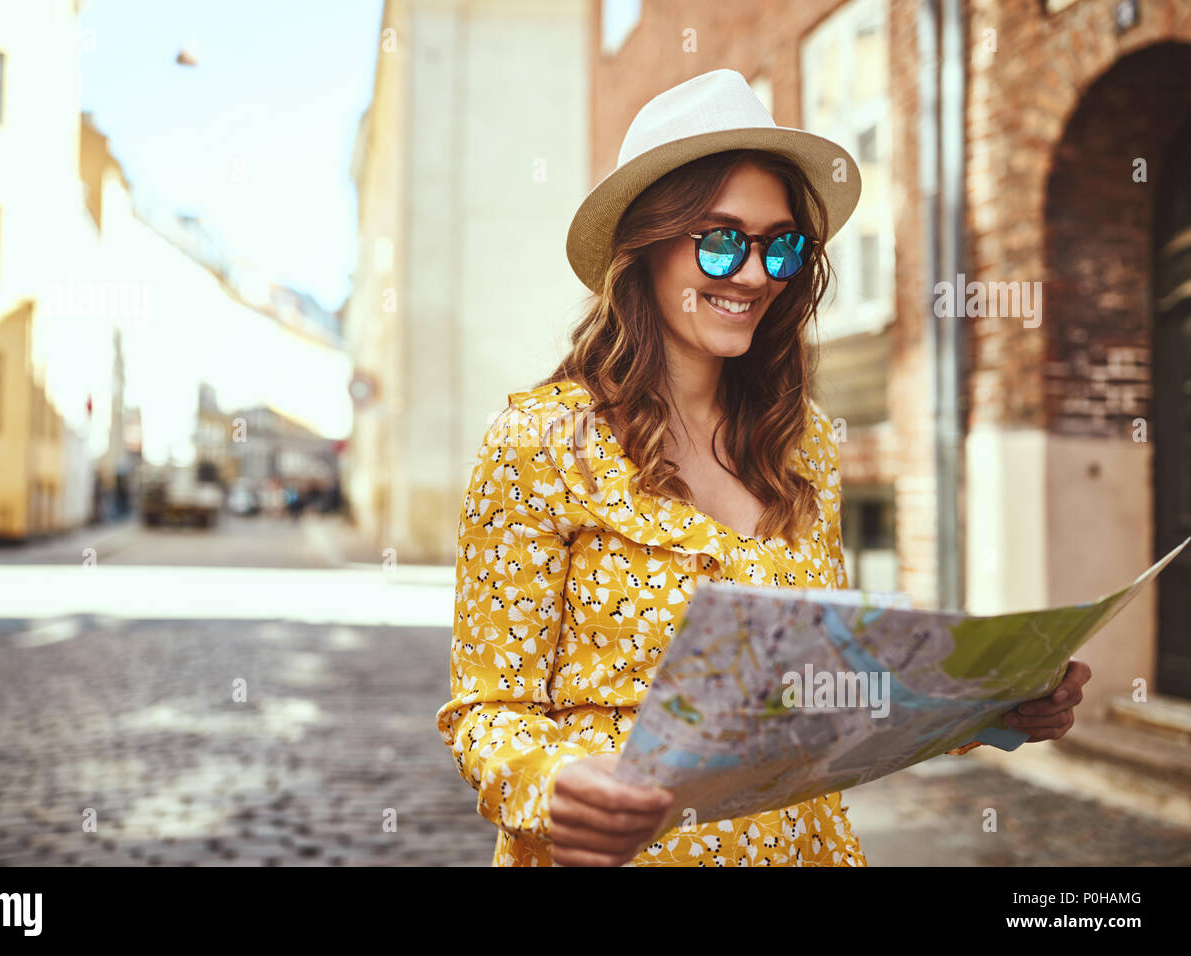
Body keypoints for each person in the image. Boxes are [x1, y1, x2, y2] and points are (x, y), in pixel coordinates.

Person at [435, 69, 1090, 867]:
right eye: (719, 238)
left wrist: (992, 707)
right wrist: (553, 780)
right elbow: (487, 711)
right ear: (644, 248)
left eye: (780, 245)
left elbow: (826, 690)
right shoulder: (541, 443)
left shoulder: (802, 440)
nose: (753, 274)